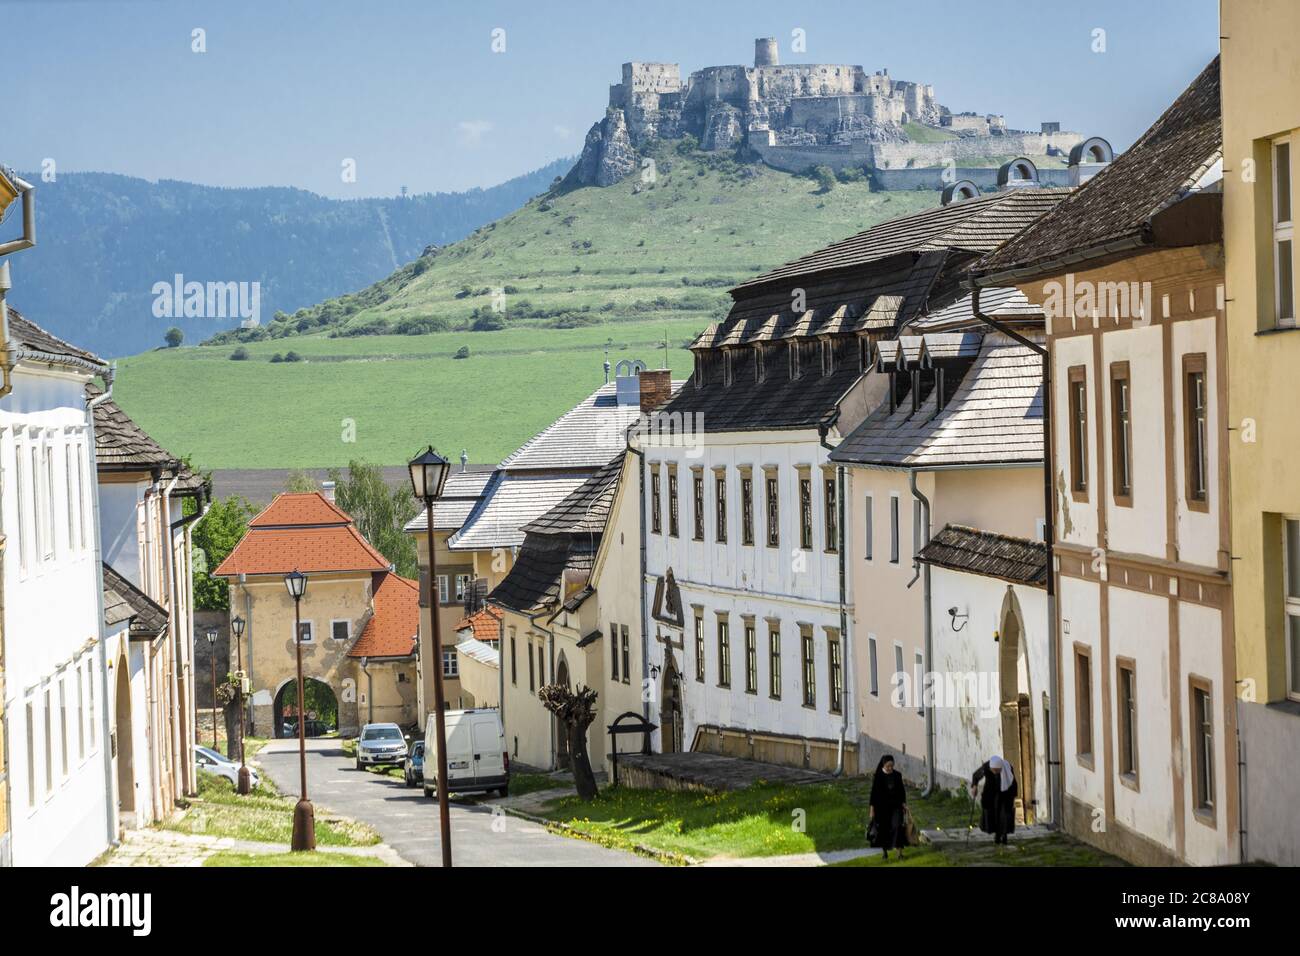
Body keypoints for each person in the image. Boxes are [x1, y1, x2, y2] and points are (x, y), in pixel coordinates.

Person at [970, 754, 1017, 845]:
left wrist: (1013, 796)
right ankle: (997, 834)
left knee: (1004, 815)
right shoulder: (987, 766)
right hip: (991, 794)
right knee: (993, 815)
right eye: (993, 770)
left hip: (1006, 794)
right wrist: (974, 786)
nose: (995, 772)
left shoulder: (1007, 767)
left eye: (997, 770)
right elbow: (976, 775)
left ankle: (1004, 835)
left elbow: (1013, 783)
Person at [868, 754, 909, 860]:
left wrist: (904, 804)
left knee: (898, 827)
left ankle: (899, 853)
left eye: (892, 766)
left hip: (896, 807)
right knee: (883, 830)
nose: (890, 768)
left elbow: (902, 791)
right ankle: (885, 853)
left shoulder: (897, 775)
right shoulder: (878, 776)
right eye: (888, 766)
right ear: (883, 765)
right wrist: (872, 810)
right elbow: (874, 794)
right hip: (882, 808)